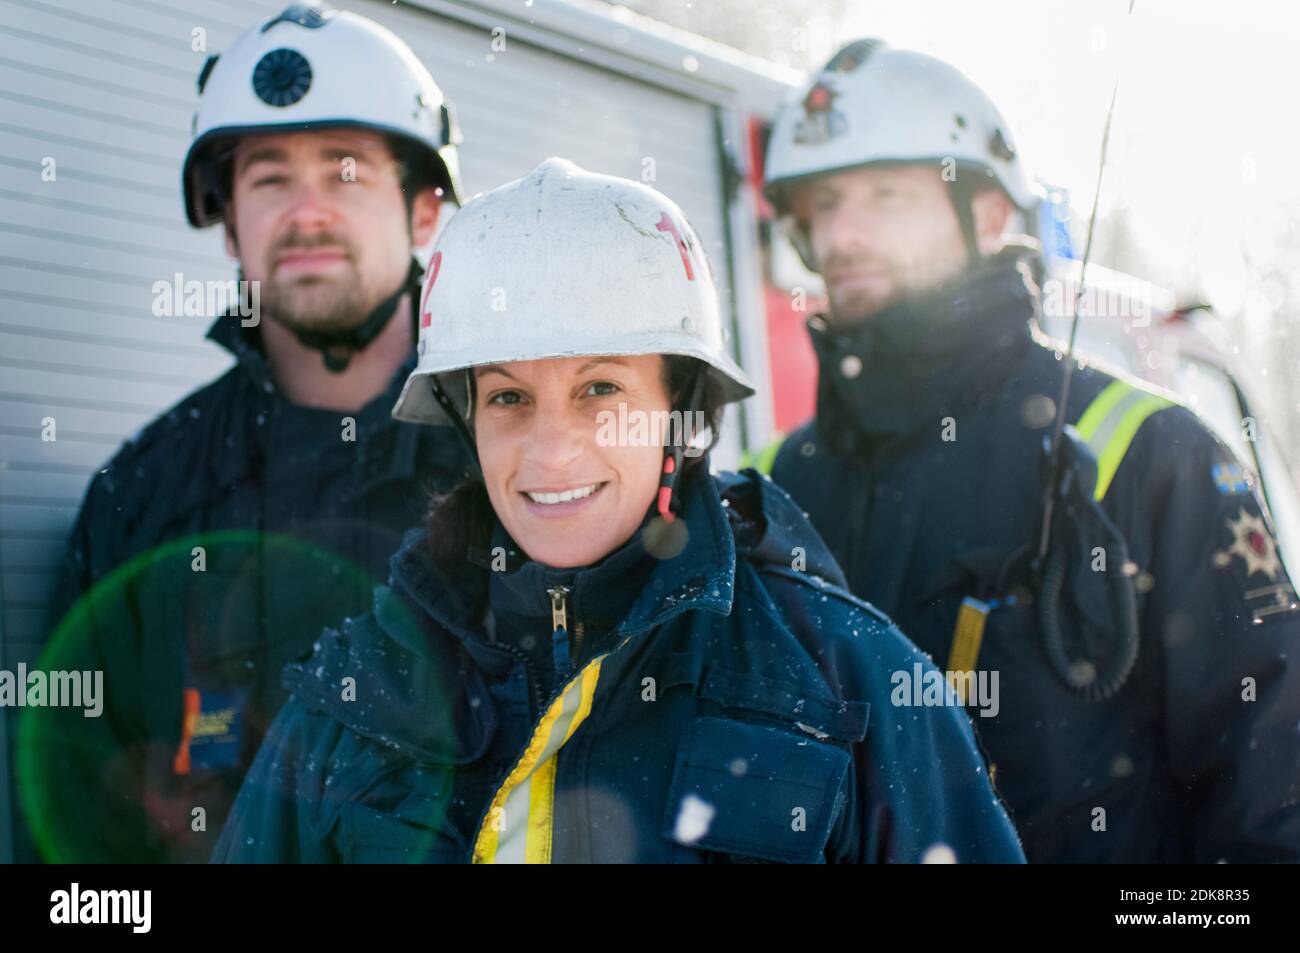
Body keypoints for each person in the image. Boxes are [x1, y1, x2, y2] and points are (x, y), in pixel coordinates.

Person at [212, 158, 1024, 864]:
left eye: (601, 388)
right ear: (465, 419)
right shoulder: (360, 689)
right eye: (508, 397)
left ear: (679, 410)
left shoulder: (848, 682)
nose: (551, 451)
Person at [756, 39, 1300, 862]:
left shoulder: (1155, 456)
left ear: (988, 213)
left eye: (886, 195)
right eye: (823, 204)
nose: (843, 234)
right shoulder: (783, 481)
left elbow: (1271, 810)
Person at [23, 2, 469, 863]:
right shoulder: (142, 496)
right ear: (229, 225)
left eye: (345, 173)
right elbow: (69, 818)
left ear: (423, 213)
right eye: (268, 179)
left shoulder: (520, 465)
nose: (307, 214)